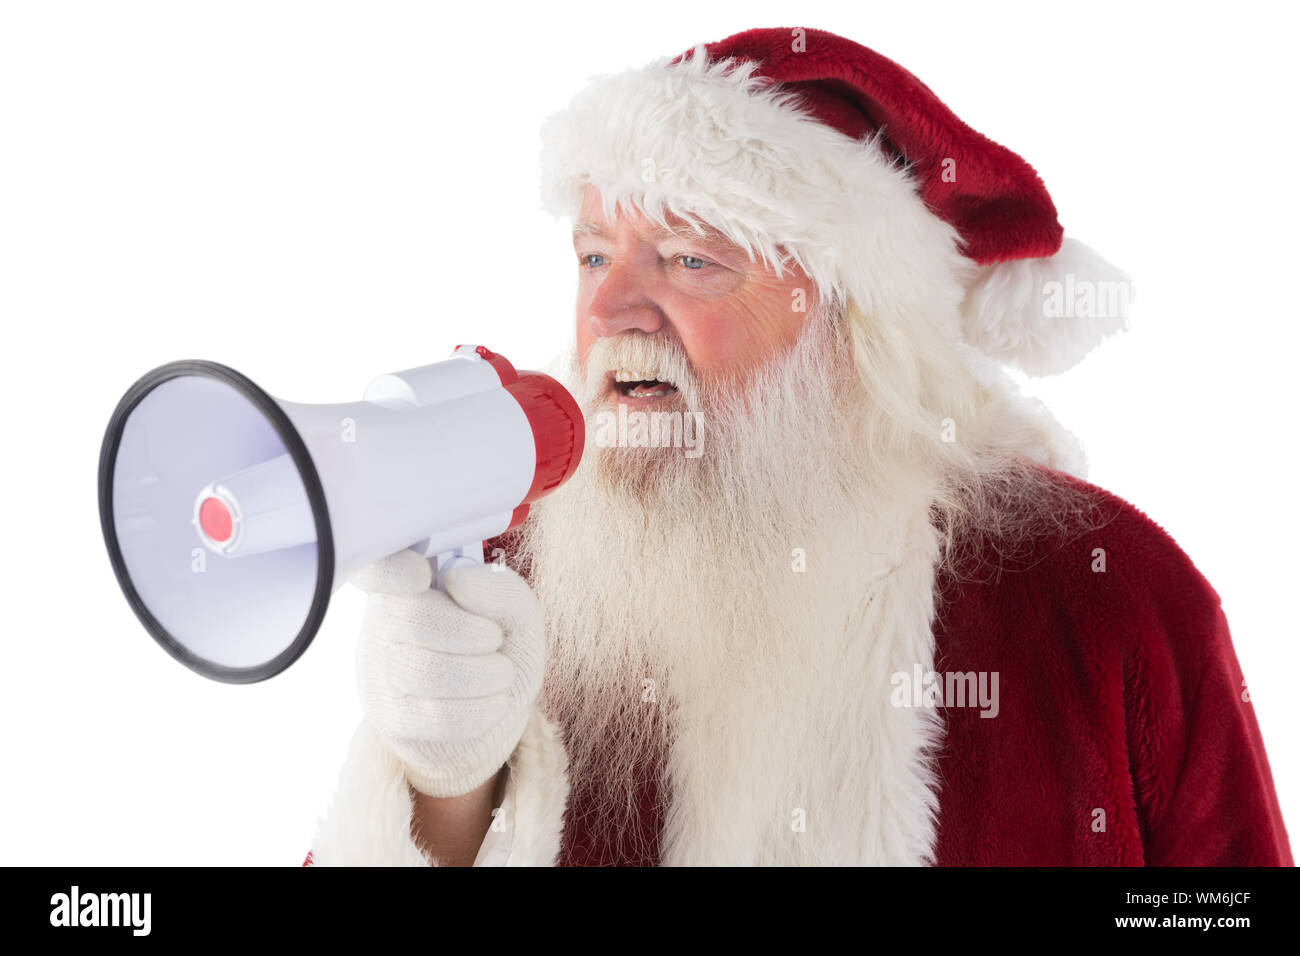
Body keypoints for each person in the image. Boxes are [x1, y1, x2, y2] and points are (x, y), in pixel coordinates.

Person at [302, 27, 1292, 866]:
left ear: (853, 330)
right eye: (594, 254)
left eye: (691, 260)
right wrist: (443, 788)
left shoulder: (1104, 592)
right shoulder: (506, 589)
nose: (607, 309)